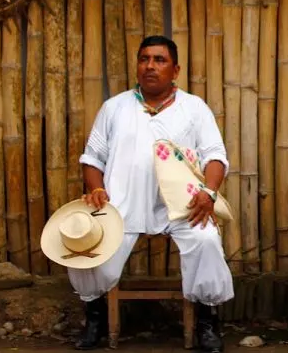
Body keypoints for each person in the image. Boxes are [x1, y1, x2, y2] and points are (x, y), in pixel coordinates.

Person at [71, 36, 232, 352]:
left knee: (207, 240)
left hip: (184, 205)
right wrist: (98, 189)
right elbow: (92, 158)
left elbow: (216, 156)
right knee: (85, 248)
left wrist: (209, 192)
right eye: (144, 59)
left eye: (159, 60)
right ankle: (95, 316)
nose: (150, 66)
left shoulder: (194, 108)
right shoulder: (114, 107)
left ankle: (207, 321)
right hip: (120, 205)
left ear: (176, 69)